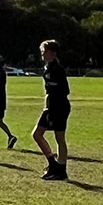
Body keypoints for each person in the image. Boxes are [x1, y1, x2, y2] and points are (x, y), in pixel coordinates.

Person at [33, 39, 70, 180]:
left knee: (59, 137)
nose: (42, 55)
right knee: (37, 134)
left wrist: (52, 107)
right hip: (50, 107)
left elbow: (65, 91)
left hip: (59, 107)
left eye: (45, 52)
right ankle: (52, 163)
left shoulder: (57, 70)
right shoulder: (47, 68)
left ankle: (61, 169)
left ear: (53, 54)